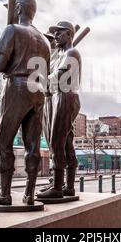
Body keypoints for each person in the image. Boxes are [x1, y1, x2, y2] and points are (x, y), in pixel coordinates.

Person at [0, 0, 51, 206]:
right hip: (38, 89)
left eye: (12, 9)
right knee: (33, 144)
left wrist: (2, 51)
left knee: (4, 140)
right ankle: (29, 194)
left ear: (20, 9)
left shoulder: (12, 30)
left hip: (18, 85)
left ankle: (5, 194)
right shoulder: (45, 42)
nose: (10, 12)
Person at [37, 21, 81, 199]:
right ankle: (68, 187)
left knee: (56, 142)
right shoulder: (61, 54)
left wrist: (39, 77)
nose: (55, 36)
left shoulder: (72, 52)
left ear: (69, 34)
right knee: (66, 143)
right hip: (59, 96)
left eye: (59, 33)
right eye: (54, 33)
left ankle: (57, 187)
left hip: (65, 96)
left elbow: (60, 76)